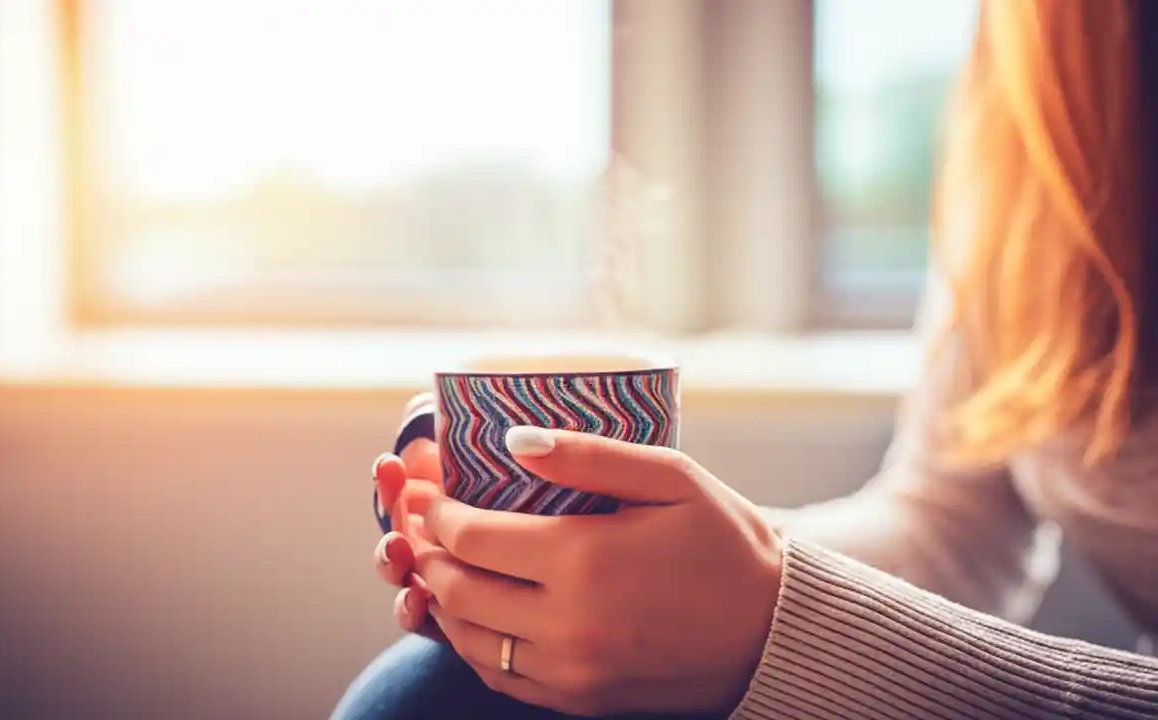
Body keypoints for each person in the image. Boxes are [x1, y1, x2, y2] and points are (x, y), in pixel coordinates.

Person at [334, 1, 1158, 717]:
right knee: (430, 689)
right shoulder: (1049, 57)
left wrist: (786, 630)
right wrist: (686, 574)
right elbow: (958, 526)